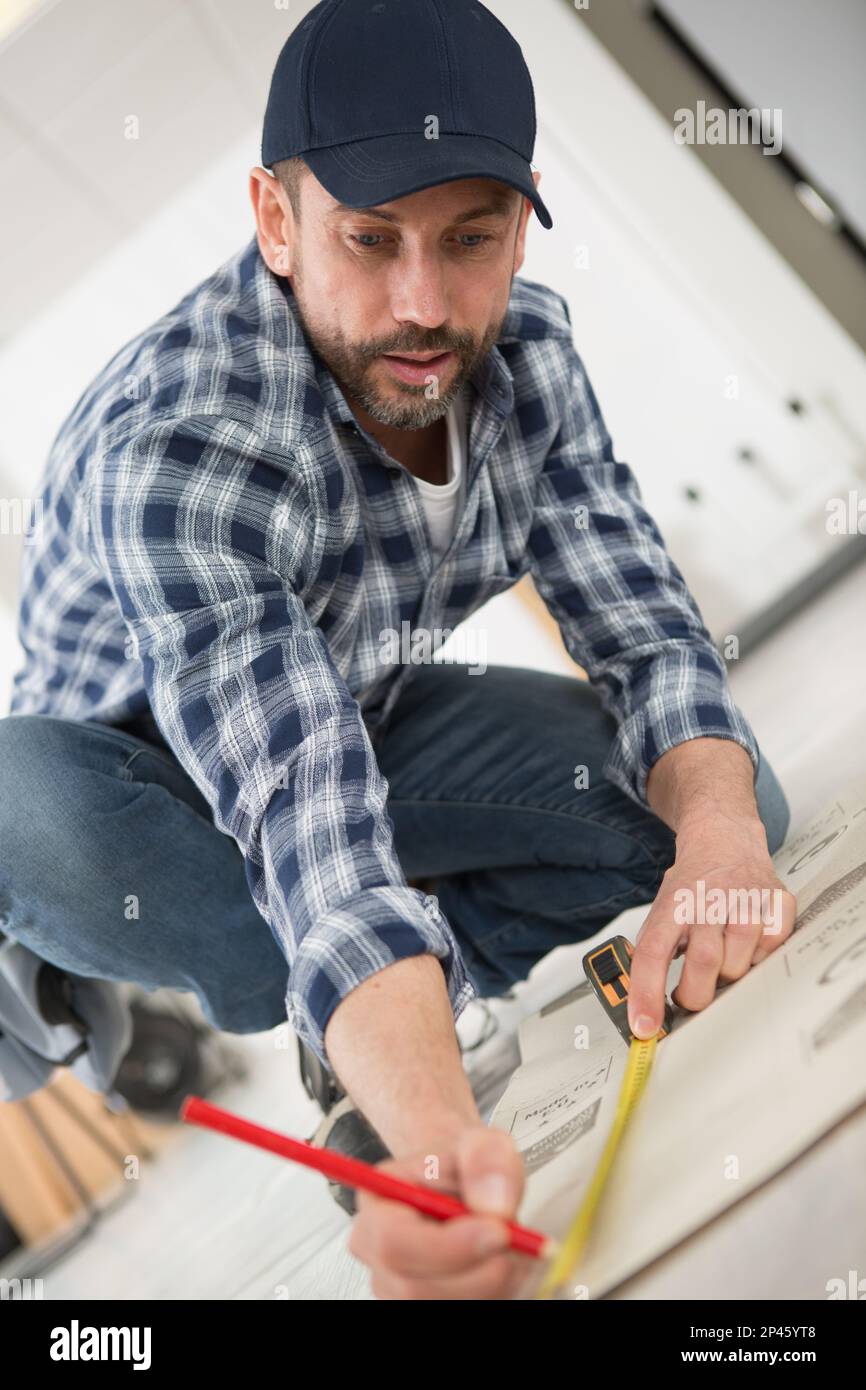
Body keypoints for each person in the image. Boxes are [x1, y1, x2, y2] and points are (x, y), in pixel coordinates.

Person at [0, 0, 793, 1299]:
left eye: (470, 239)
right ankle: (344, 1017)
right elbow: (298, 806)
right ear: (274, 220)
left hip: (360, 707)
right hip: (142, 791)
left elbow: (647, 637)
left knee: (727, 797)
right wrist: (433, 1141)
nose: (421, 306)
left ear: (521, 225)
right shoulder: (184, 441)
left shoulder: (530, 360)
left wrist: (714, 833)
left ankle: (379, 1003)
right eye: (369, 241)